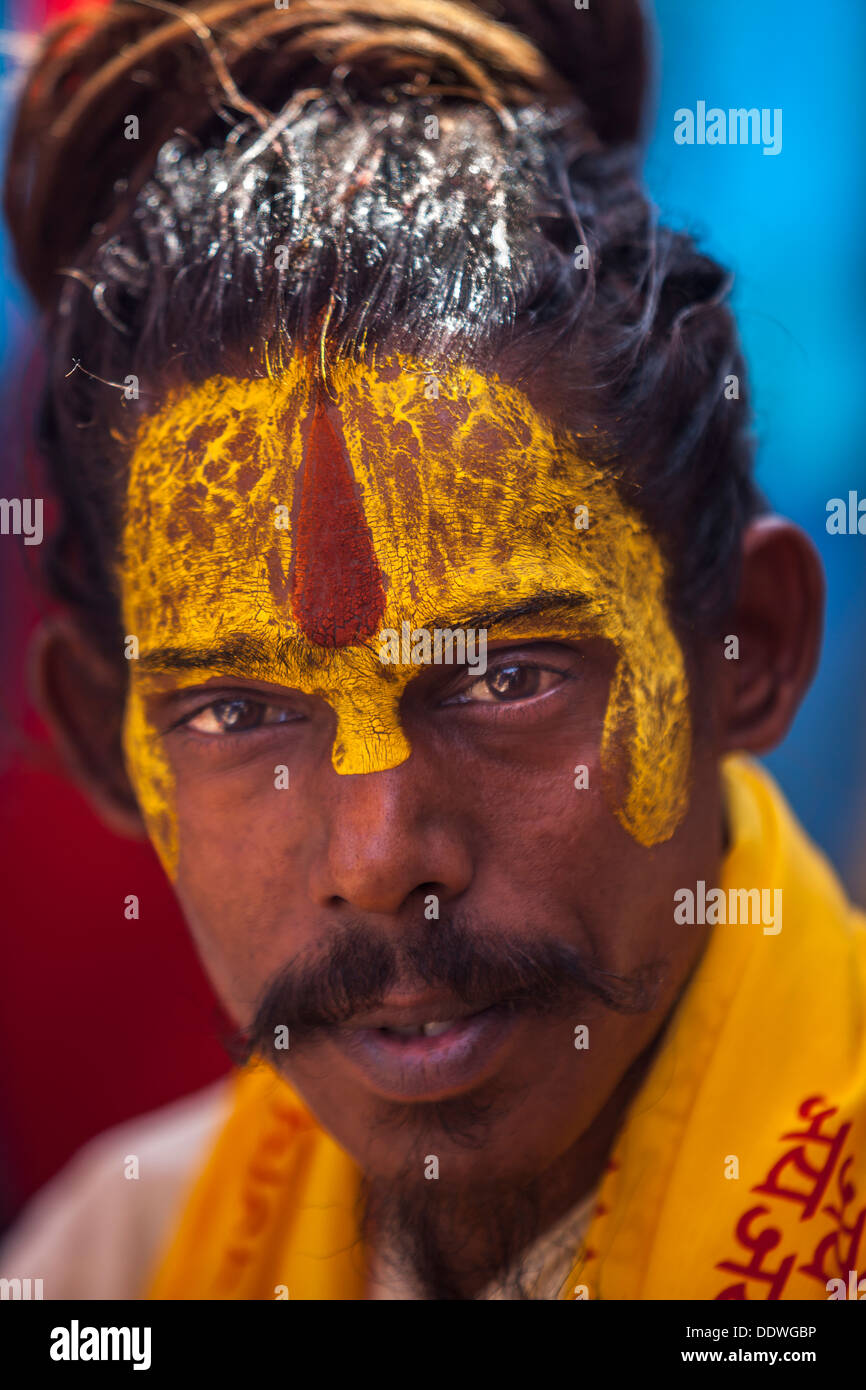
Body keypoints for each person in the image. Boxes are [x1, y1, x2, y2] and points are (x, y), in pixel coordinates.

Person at [1, 0, 864, 1301]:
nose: (380, 854)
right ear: (101, 740)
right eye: (237, 708)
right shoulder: (117, 1264)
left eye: (505, 676)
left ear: (746, 646)